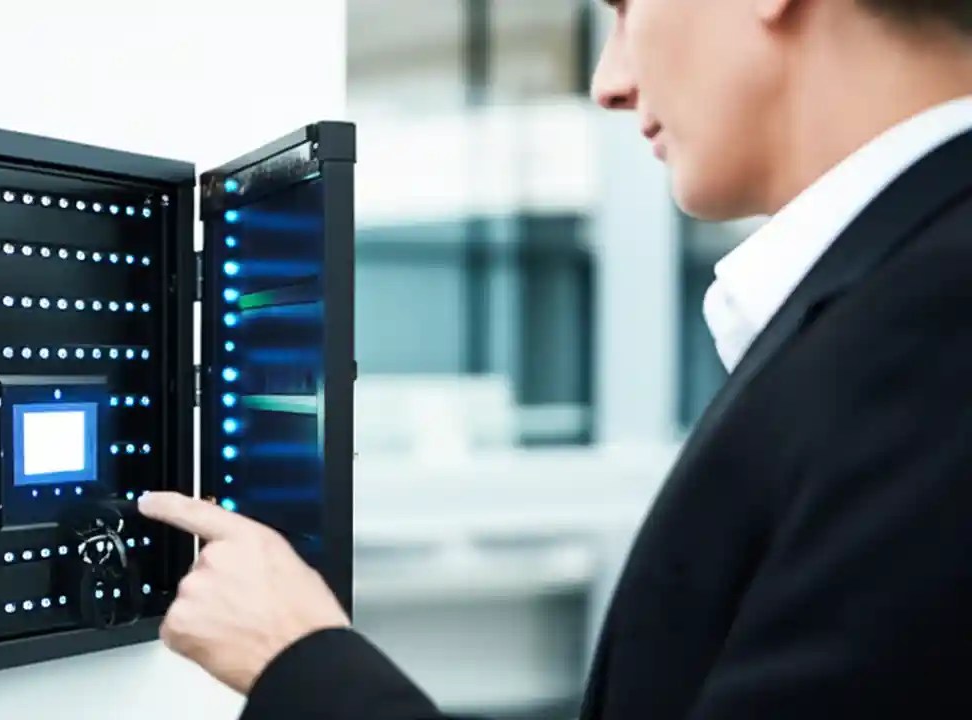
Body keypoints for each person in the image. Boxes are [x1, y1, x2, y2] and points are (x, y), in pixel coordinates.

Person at [137, 0, 972, 716]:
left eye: (623, 8)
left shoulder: (934, 328)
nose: (609, 82)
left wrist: (301, 663)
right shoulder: (896, 306)